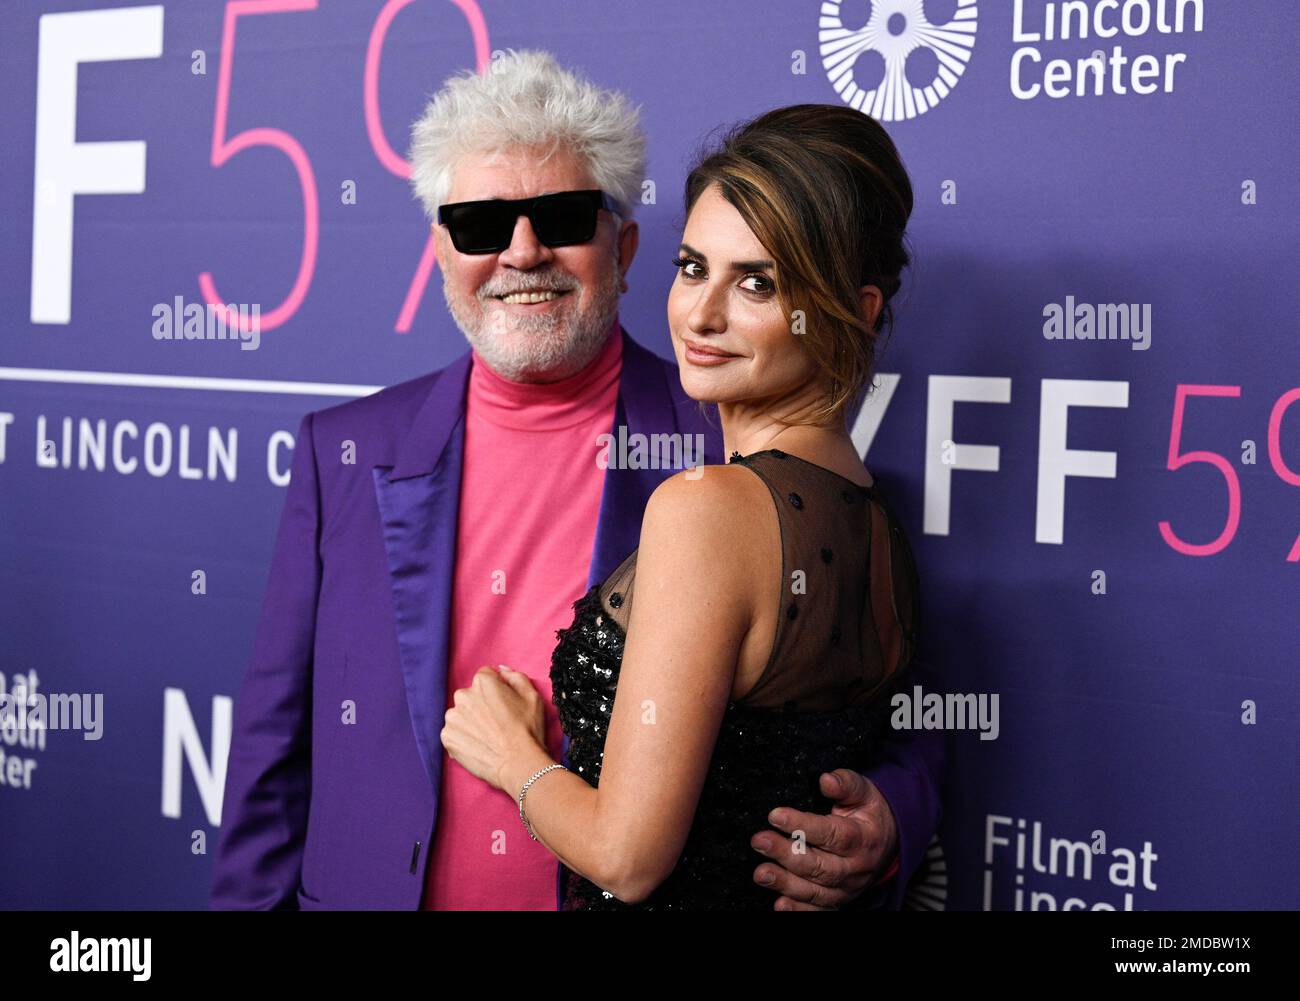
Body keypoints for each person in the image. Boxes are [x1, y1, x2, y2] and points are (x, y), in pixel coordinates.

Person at [209, 49, 943, 911]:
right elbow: (271, 747)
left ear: (623, 246)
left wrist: (892, 814)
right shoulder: (344, 453)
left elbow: (893, 711)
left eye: (558, 215)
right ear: (441, 253)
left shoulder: (741, 454)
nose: (522, 252)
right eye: (481, 224)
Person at [439, 99, 926, 909]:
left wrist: (511, 755)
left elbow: (627, 860)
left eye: (759, 284)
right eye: (695, 266)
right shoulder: (876, 517)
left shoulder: (706, 507)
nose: (701, 314)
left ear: (858, 311)